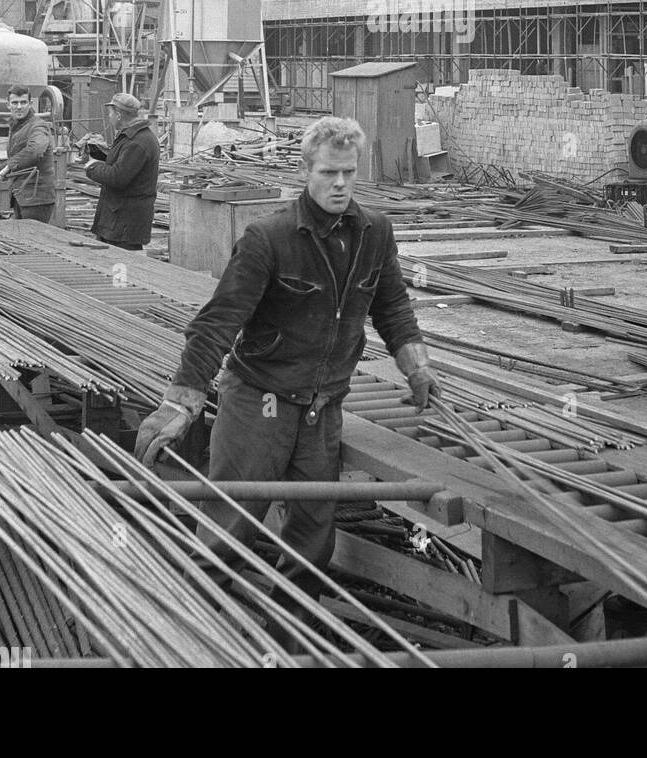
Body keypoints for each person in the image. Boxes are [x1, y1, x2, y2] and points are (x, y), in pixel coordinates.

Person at [133, 114, 439, 592]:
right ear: (305, 170)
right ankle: (198, 629)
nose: (340, 184)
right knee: (229, 527)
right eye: (328, 173)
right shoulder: (268, 239)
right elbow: (219, 322)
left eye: (349, 173)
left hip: (322, 409)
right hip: (260, 401)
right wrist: (182, 399)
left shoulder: (375, 232)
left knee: (313, 544)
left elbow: (393, 306)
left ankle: (291, 637)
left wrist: (416, 366)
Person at [83, 92, 160, 251]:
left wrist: (91, 166)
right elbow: (122, 161)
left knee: (122, 270)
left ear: (118, 115)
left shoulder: (138, 142)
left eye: (110, 113)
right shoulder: (134, 136)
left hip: (125, 224)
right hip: (118, 220)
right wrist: (96, 151)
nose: (109, 117)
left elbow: (118, 177)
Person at [0, 85, 56, 224]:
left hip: (36, 200)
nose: (19, 107)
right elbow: (16, 158)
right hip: (22, 197)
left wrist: (9, 166)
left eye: (23, 102)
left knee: (32, 243)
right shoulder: (17, 126)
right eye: (15, 103)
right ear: (8, 105)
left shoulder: (38, 126)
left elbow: (35, 150)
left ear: (30, 104)